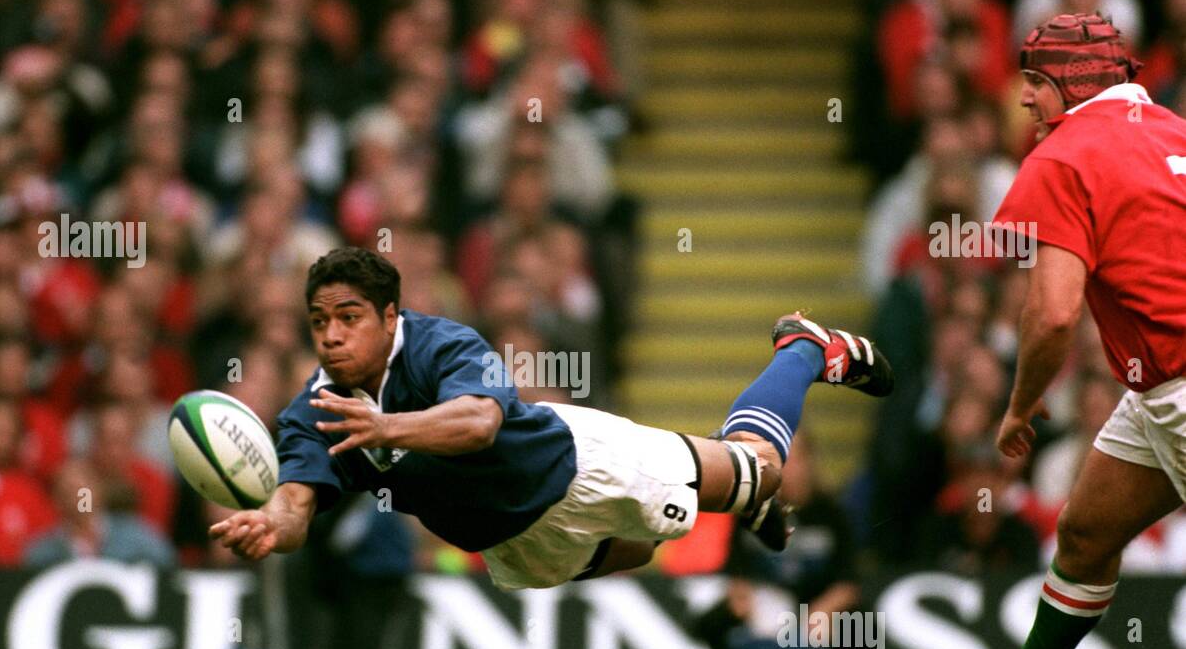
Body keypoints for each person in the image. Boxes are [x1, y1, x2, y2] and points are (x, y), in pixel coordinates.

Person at [210, 247, 894, 591]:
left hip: (577, 467)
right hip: (516, 550)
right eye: (319, 322)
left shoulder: (440, 343)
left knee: (763, 472)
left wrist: (387, 428)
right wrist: (268, 525)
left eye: (348, 318)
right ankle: (728, 496)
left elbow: (479, 423)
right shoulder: (314, 414)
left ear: (391, 318)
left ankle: (803, 346)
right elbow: (298, 502)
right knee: (639, 547)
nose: (330, 336)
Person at [910, 13, 1186, 649]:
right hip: (1157, 382)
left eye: (1034, 81)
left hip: (1178, 378)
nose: (1024, 98)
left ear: (1071, 81)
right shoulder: (1173, 129)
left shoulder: (1064, 156)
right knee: (1088, 531)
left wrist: (1019, 405)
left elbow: (1054, 312)